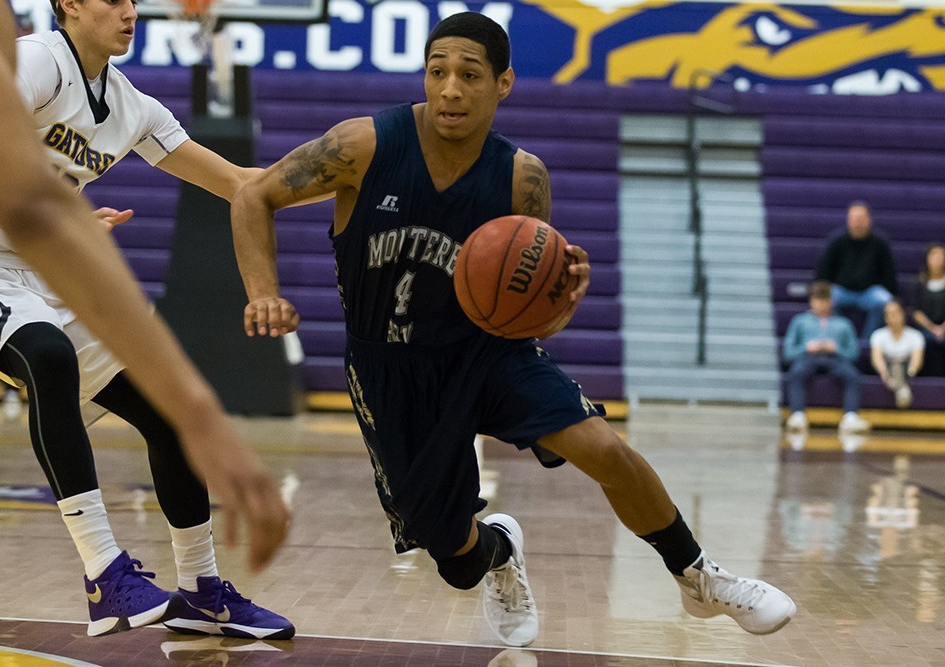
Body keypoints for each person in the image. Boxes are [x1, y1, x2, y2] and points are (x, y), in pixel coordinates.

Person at [229, 12, 796, 647]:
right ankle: (499, 551)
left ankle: (698, 578)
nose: (449, 89)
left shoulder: (522, 178)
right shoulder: (364, 145)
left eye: (469, 75)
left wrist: (561, 299)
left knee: (602, 448)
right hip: (389, 368)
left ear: (503, 84)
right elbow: (252, 195)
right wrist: (263, 294)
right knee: (452, 556)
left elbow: (525, 307)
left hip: (486, 352)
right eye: (437, 72)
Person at [0, 0, 292, 639]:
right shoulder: (33, 60)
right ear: (70, 5)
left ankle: (202, 592)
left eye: (134, 0)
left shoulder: (133, 106)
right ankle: (105, 575)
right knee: (49, 355)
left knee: (166, 413)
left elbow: (244, 182)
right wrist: (69, 223)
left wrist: (338, 175)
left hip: (43, 274)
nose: (130, 10)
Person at [783, 281, 869, 432]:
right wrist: (806, 347)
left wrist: (837, 348)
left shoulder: (843, 323)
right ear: (811, 301)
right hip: (807, 357)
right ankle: (797, 414)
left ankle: (850, 416)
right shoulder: (800, 321)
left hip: (836, 359)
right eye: (818, 300)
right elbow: (788, 352)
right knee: (797, 372)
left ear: (831, 301)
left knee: (851, 375)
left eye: (825, 300)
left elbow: (854, 354)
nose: (821, 305)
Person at [815, 201, 897, 339]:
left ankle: (868, 341)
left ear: (869, 220)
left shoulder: (880, 243)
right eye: (854, 218)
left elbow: (889, 273)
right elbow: (824, 272)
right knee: (827, 300)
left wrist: (885, 289)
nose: (858, 222)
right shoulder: (837, 241)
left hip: (869, 292)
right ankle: (845, 338)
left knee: (885, 301)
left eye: (861, 218)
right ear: (848, 220)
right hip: (843, 290)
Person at [870, 300, 924, 409]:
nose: (892, 317)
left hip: (907, 369)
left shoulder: (916, 335)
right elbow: (877, 359)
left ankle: (900, 386)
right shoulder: (877, 335)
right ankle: (902, 390)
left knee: (899, 365)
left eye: (895, 313)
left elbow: (916, 360)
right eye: (888, 314)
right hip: (888, 369)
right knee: (894, 365)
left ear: (903, 314)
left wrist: (909, 373)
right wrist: (884, 373)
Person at [910, 243, 945, 376]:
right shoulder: (918, 284)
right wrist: (933, 328)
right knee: (923, 339)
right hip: (925, 329)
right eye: (934, 255)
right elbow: (916, 312)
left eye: (941, 255)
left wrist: (942, 328)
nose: (938, 259)